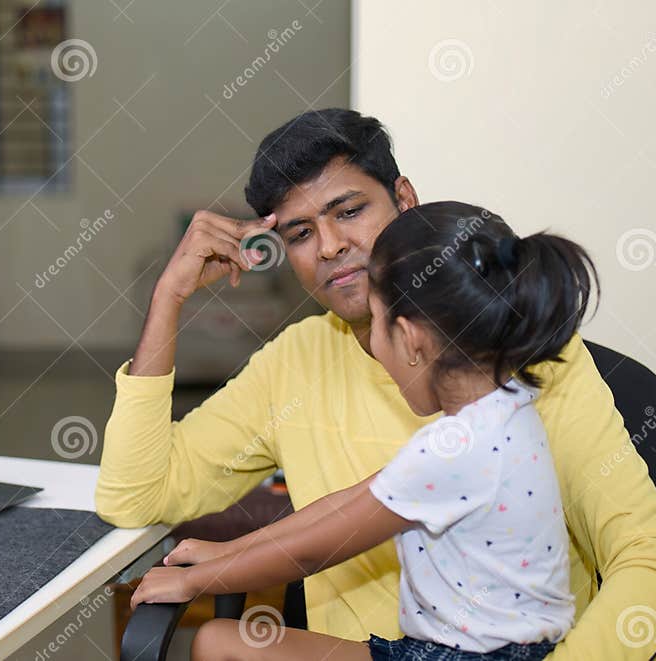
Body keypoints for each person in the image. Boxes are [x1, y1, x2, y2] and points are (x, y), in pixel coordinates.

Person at [95, 109, 656, 659]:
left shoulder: (528, 357)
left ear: (405, 200)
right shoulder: (295, 360)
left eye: (348, 211)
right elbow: (135, 495)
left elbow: (648, 556)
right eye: (300, 232)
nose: (329, 246)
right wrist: (168, 296)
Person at [129, 202, 592, 660]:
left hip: (462, 657)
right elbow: (350, 502)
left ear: (410, 338)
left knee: (216, 642)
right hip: (511, 651)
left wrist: (194, 581)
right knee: (223, 639)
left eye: (377, 324)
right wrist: (230, 551)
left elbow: (314, 552)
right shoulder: (503, 411)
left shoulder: (453, 450)